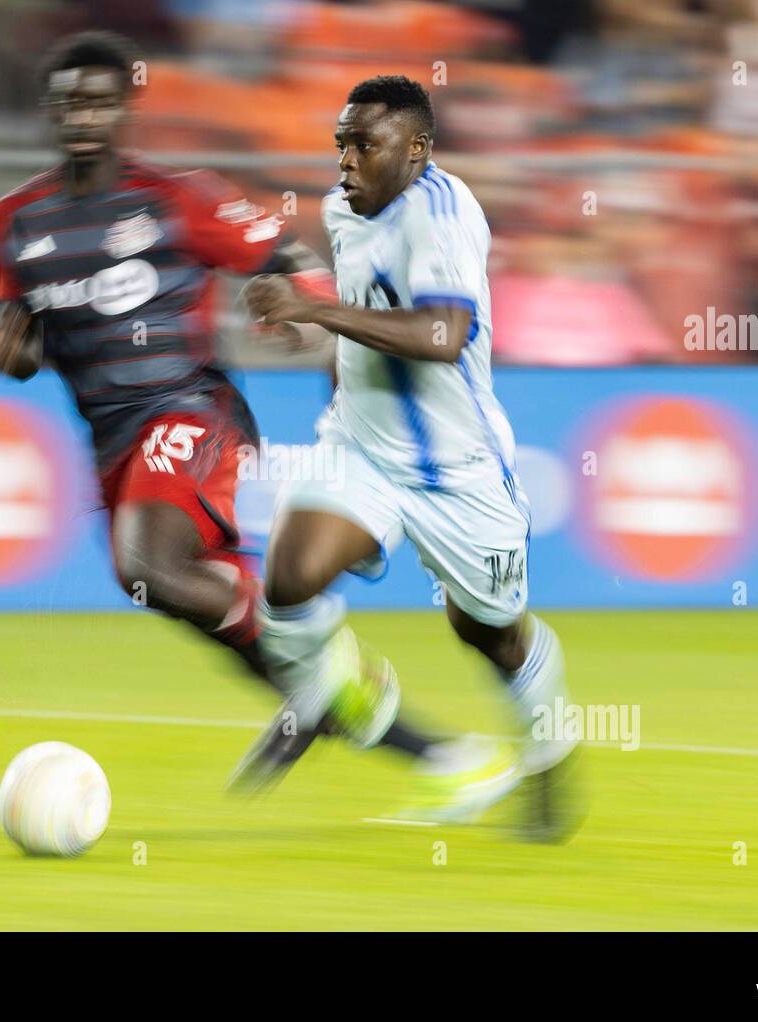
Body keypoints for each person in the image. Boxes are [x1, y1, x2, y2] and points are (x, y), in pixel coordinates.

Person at [0, 33, 441, 775]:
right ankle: (422, 748)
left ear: (126, 108)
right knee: (178, 597)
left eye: (99, 101)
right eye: (69, 103)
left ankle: (318, 649)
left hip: (193, 410)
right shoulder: (18, 221)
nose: (84, 116)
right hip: (112, 442)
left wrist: (309, 316)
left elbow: (286, 257)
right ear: (49, 112)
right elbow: (28, 341)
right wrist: (14, 346)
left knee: (150, 563)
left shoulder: (177, 197)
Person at [238, 75, 584, 838]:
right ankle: (334, 694)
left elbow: (443, 336)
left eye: (366, 145)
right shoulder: (341, 211)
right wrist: (312, 333)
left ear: (418, 151)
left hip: (458, 471)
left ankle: (550, 752)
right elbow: (364, 311)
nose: (347, 161)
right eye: (341, 145)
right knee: (291, 578)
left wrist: (313, 306)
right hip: (362, 446)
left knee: (490, 633)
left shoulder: (446, 212)